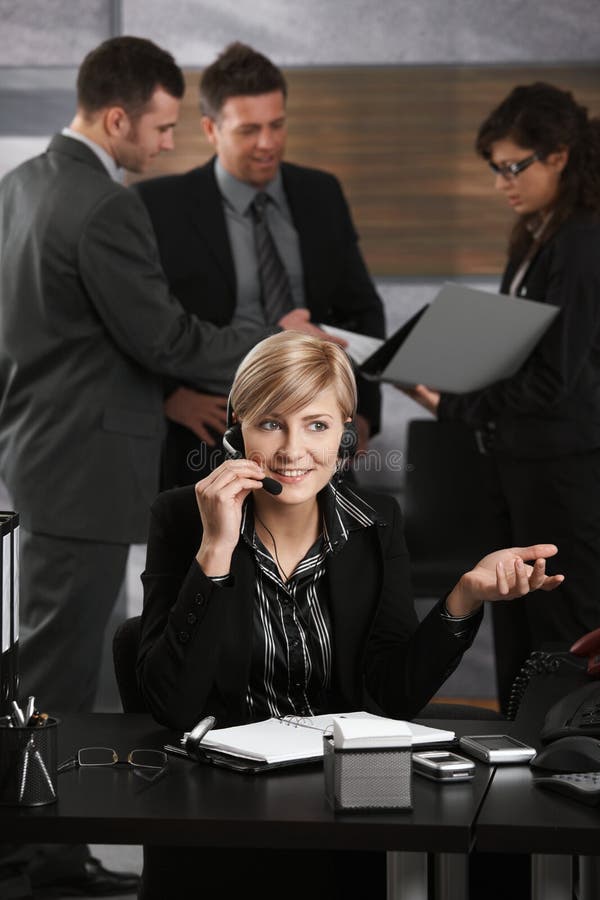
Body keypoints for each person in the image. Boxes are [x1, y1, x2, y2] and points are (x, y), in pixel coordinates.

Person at [0, 36, 338, 899]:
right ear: (116, 118)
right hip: (80, 464)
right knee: (56, 675)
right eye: (157, 127)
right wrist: (281, 342)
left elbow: (76, 337)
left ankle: (42, 846)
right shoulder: (103, 206)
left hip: (44, 449)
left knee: (49, 663)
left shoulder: (22, 187)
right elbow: (162, 336)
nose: (164, 145)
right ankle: (38, 854)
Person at [136, 330, 562, 898]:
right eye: (270, 424)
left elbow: (390, 695)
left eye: (316, 425)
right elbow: (174, 704)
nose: (292, 450)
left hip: (345, 790)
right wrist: (215, 551)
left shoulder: (374, 522)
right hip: (221, 795)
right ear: (236, 429)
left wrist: (465, 597)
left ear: (345, 435)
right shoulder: (182, 518)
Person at [409, 82, 600, 713]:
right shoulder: (537, 232)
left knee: (560, 632)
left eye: (515, 167)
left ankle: (565, 767)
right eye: (496, 170)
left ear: (561, 156)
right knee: (517, 620)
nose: (502, 183)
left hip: (563, 470)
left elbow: (553, 377)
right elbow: (517, 351)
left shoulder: (580, 241)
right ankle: (519, 762)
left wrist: (457, 403)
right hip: (516, 461)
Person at [133, 41, 385, 488]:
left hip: (317, 440)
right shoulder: (158, 206)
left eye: (277, 125)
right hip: (209, 435)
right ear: (211, 129)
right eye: (249, 130)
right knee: (211, 559)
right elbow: (138, 324)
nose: (267, 144)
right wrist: (169, 398)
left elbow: (361, 307)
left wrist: (364, 413)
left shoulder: (321, 193)